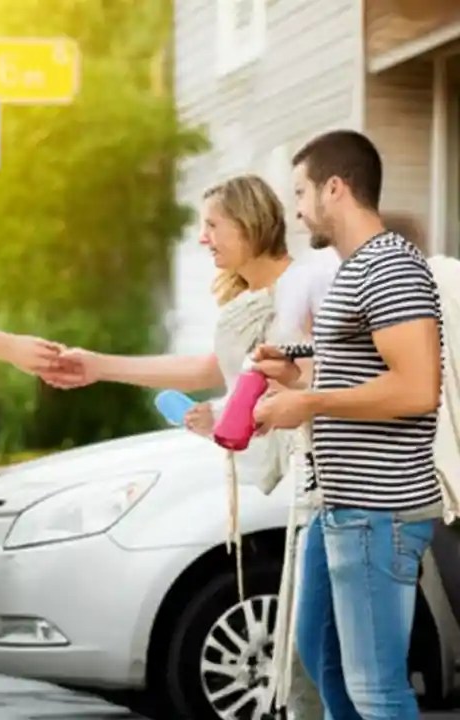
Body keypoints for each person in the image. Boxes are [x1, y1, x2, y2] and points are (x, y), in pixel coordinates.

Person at [44, 174, 336, 718]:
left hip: (329, 490)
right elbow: (213, 369)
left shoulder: (304, 291)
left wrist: (229, 412)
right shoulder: (251, 299)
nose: (203, 238)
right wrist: (99, 366)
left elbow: (312, 380)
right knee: (314, 665)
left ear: (248, 223)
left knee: (321, 664)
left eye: (212, 225)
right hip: (307, 499)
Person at [250, 130, 442, 720]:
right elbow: (359, 375)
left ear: (336, 188)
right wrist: (298, 378)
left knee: (377, 691)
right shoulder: (357, 269)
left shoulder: (388, 267)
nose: (298, 207)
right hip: (345, 508)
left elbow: (416, 388)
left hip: (376, 512)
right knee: (326, 663)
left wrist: (308, 406)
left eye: (303, 191)